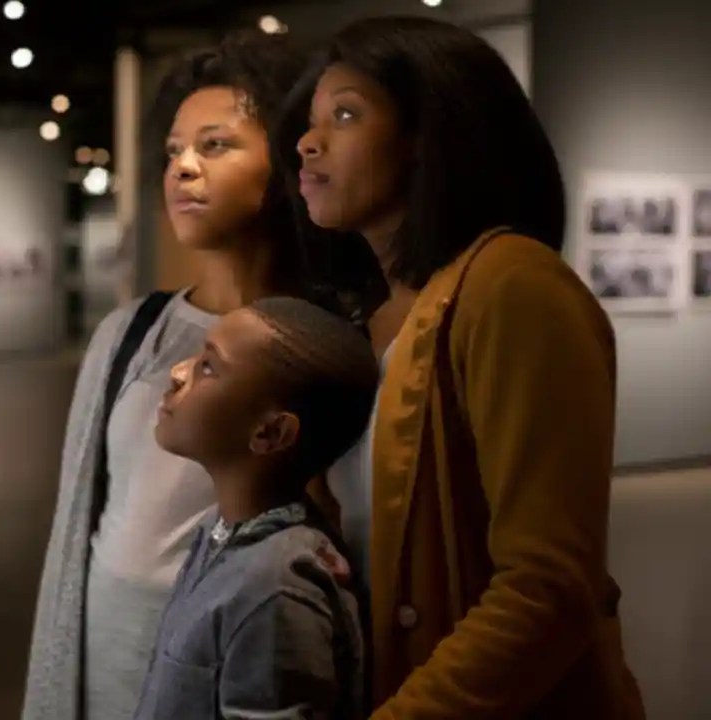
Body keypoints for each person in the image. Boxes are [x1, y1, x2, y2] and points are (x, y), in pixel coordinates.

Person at [281, 15, 646, 718]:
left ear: (428, 138)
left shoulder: (513, 286)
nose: (308, 139)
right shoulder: (371, 315)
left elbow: (548, 585)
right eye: (311, 119)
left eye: (346, 115)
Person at [21, 31, 338, 720]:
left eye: (215, 145)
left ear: (284, 163)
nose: (183, 168)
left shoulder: (327, 343)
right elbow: (77, 528)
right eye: (173, 151)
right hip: (104, 658)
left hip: (227, 666)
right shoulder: (128, 334)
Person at [133, 297, 376, 720]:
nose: (177, 373)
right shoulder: (220, 530)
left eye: (208, 366)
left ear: (270, 432)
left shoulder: (278, 587)